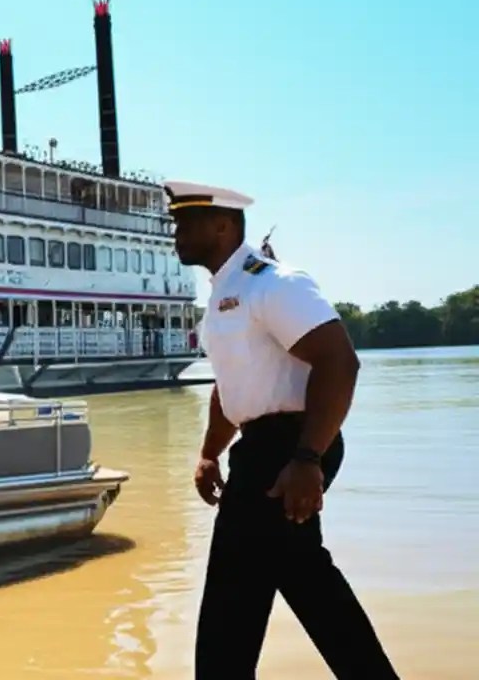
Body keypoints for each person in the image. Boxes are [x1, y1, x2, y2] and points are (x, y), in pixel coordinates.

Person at [168, 181, 398, 679]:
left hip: (290, 448)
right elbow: (233, 389)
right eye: (175, 222)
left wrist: (308, 458)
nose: (176, 232)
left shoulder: (273, 284)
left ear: (224, 225)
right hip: (263, 450)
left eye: (187, 223)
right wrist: (210, 453)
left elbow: (339, 362)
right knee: (303, 580)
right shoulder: (224, 295)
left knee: (236, 600)